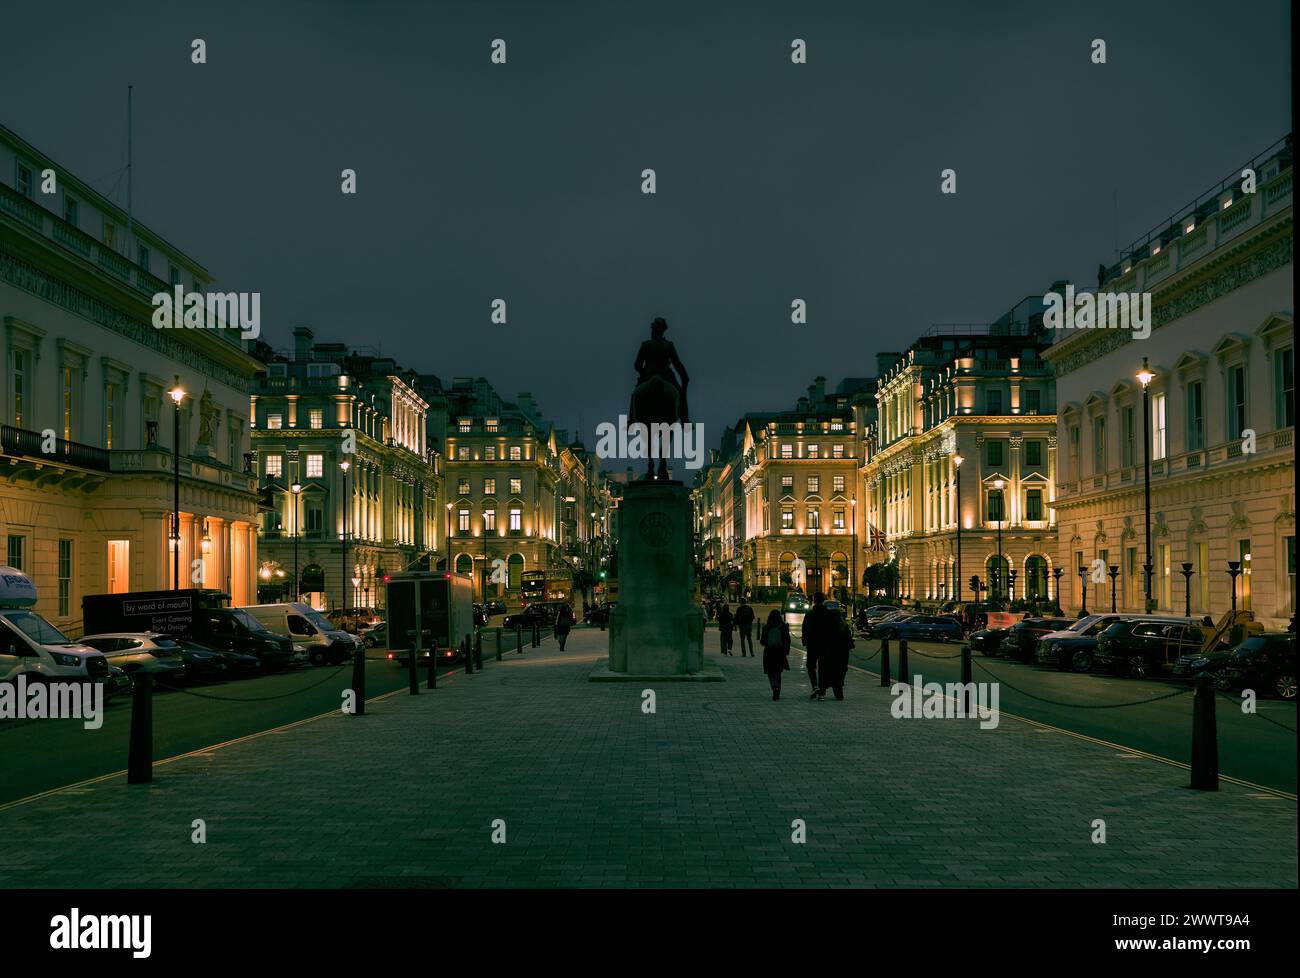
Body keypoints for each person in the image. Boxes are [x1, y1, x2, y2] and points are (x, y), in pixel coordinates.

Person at [801, 591, 838, 700]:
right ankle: (822, 692)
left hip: (812, 644)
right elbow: (833, 630)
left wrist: (805, 642)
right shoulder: (828, 614)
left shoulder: (809, 614)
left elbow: (805, 629)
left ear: (813, 600)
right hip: (825, 645)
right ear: (823, 600)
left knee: (811, 666)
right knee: (823, 667)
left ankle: (815, 686)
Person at [819, 607, 854, 700]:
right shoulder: (844, 626)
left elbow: (822, 641)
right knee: (839, 675)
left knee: (825, 673)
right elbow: (849, 642)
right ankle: (839, 694)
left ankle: (822, 693)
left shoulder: (826, 627)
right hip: (841, 655)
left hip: (828, 654)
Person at [759, 609, 791, 700]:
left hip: (769, 652)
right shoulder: (783, 627)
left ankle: (774, 686)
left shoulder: (767, 627)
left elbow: (762, 641)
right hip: (780, 652)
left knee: (770, 672)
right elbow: (787, 640)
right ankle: (778, 690)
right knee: (778, 672)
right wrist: (786, 651)